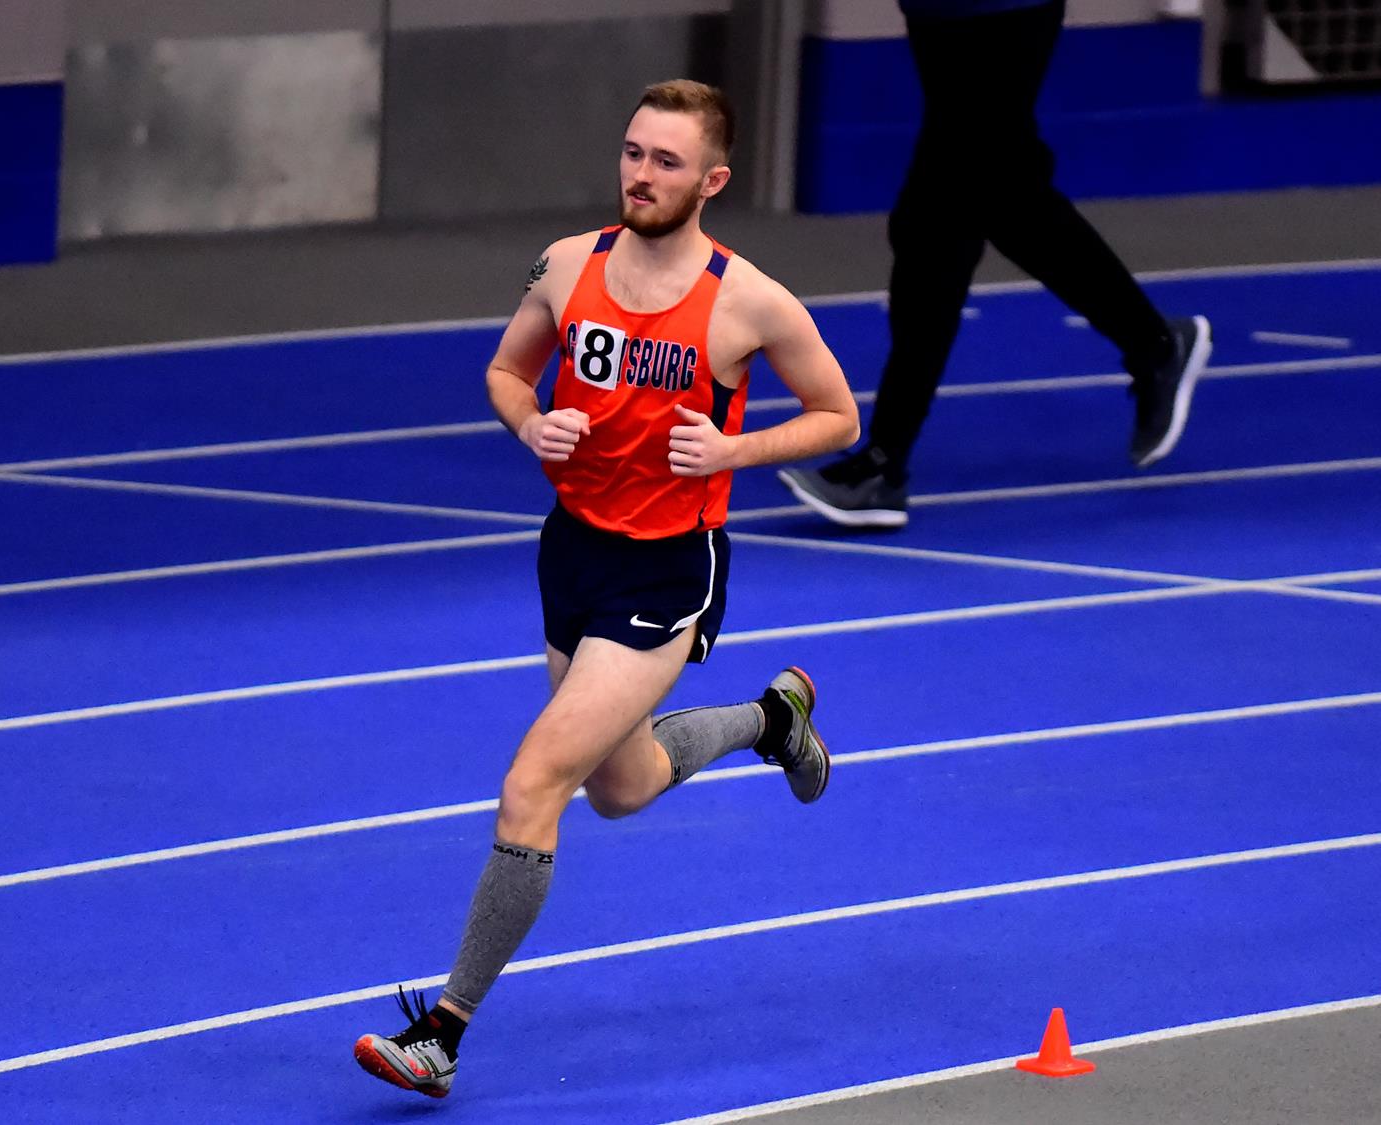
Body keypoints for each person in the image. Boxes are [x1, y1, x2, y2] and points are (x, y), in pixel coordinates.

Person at [352, 79, 861, 1099]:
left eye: (666, 161)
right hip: (572, 550)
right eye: (633, 152)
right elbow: (506, 373)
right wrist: (529, 423)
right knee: (619, 788)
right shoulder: (566, 265)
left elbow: (838, 417)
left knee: (532, 784)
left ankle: (442, 1034)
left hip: (666, 567)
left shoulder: (748, 300)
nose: (641, 174)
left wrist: (734, 448)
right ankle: (771, 720)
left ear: (711, 181)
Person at [778, 0, 1213, 529]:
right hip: (944, 13)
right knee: (1004, 205)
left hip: (999, 11)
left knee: (938, 222)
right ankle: (1154, 344)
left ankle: (884, 464)